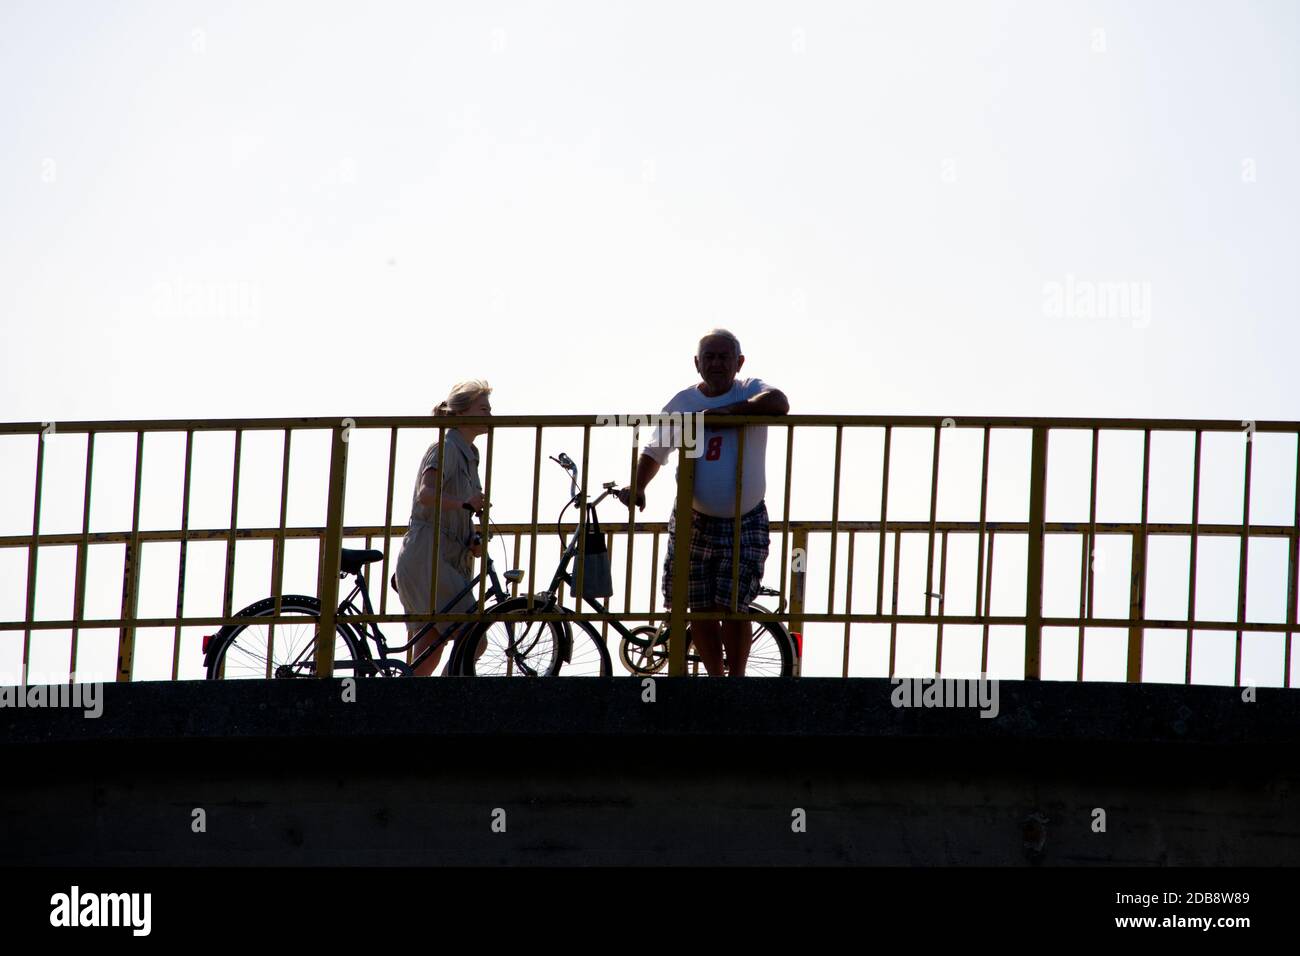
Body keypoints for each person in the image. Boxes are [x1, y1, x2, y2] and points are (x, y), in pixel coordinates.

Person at [617, 330, 789, 676]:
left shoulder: (750, 388)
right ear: (697, 363)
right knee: (697, 605)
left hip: (745, 516)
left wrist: (726, 413)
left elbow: (779, 402)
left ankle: (735, 681)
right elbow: (655, 451)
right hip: (694, 518)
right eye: (709, 357)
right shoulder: (682, 403)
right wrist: (637, 486)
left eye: (725, 357)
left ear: (738, 363)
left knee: (734, 607)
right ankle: (715, 678)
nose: (716, 363)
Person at [393, 380, 492, 676]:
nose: (491, 415)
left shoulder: (469, 454)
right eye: (483, 409)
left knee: (428, 650)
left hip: (444, 555)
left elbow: (460, 507)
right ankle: (445, 700)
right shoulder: (445, 448)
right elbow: (427, 493)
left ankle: (409, 711)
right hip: (428, 555)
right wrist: (465, 503)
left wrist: (472, 535)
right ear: (463, 413)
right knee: (474, 637)